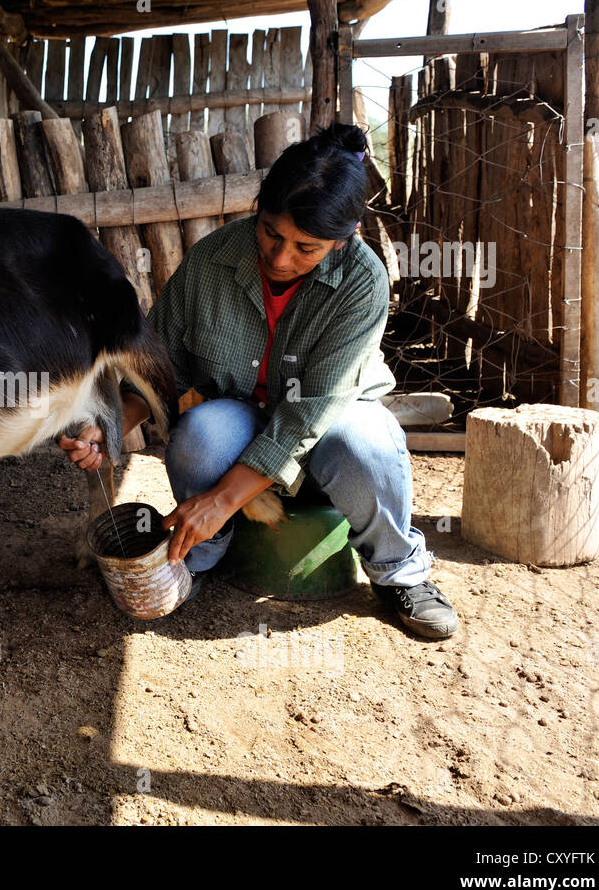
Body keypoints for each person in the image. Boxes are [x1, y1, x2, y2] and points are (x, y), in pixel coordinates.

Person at [59, 122, 458, 640]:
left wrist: (222, 500)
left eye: (306, 248)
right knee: (200, 433)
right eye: (271, 232)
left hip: (332, 422)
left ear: (345, 240)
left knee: (366, 443)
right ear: (257, 209)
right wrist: (109, 427)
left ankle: (398, 570)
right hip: (245, 415)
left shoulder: (363, 282)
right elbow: (160, 365)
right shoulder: (212, 260)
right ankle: (199, 555)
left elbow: (309, 414)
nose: (279, 257)